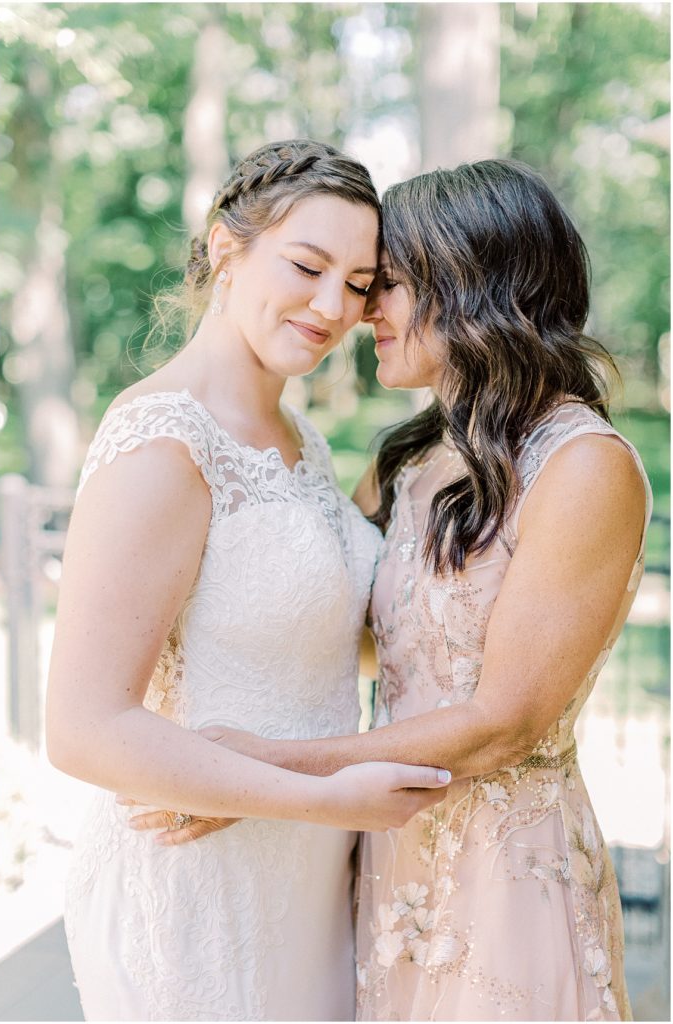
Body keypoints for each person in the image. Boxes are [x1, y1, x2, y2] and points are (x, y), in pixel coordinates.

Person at [136, 159, 650, 1021]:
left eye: (388, 284)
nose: (362, 310)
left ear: (472, 286)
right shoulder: (410, 462)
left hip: (505, 874)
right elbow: (324, 607)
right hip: (387, 857)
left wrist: (264, 768)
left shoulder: (582, 465)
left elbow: (505, 721)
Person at [45, 139, 450, 1023]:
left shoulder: (298, 433)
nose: (331, 306)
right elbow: (80, 727)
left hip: (308, 881)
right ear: (227, 247)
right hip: (201, 890)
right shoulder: (161, 440)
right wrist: (316, 796)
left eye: (356, 283)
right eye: (307, 266)